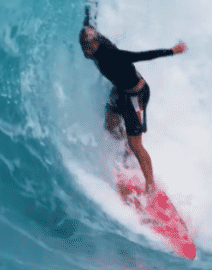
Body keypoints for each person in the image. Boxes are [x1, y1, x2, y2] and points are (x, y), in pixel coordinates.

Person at [80, 24, 186, 195]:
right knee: (110, 125)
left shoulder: (113, 55)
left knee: (136, 144)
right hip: (120, 92)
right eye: (83, 45)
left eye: (88, 46)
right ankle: (126, 148)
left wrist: (172, 51)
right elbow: (89, 28)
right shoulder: (95, 44)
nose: (85, 51)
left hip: (136, 96)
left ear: (96, 43)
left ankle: (150, 188)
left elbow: (144, 55)